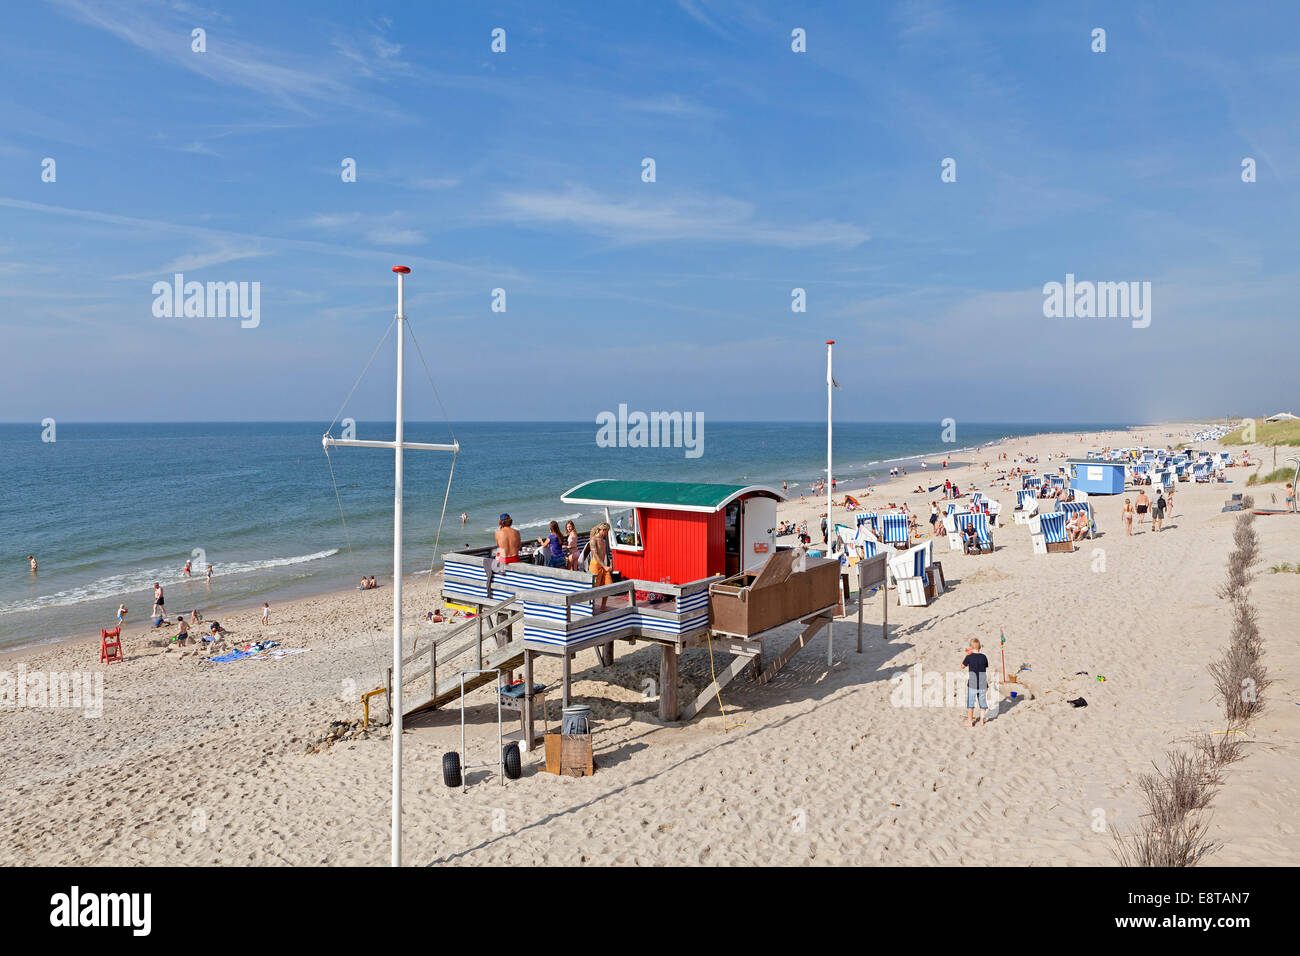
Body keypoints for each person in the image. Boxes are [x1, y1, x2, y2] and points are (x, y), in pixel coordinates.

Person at [962, 639, 990, 727]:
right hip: (982, 683)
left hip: (973, 683)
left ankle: (970, 722)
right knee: (982, 702)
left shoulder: (969, 657)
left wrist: (967, 655)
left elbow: (962, 666)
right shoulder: (984, 656)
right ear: (979, 647)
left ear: (971, 647)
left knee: (971, 703)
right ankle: (982, 720)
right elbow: (986, 666)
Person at [588, 523, 613, 612]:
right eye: (607, 531)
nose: (607, 533)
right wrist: (604, 566)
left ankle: (603, 606)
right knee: (593, 588)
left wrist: (610, 563)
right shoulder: (593, 540)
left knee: (608, 585)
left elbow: (606, 553)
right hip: (595, 566)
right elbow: (595, 554)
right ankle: (591, 607)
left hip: (603, 565)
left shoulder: (604, 540)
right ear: (603, 530)